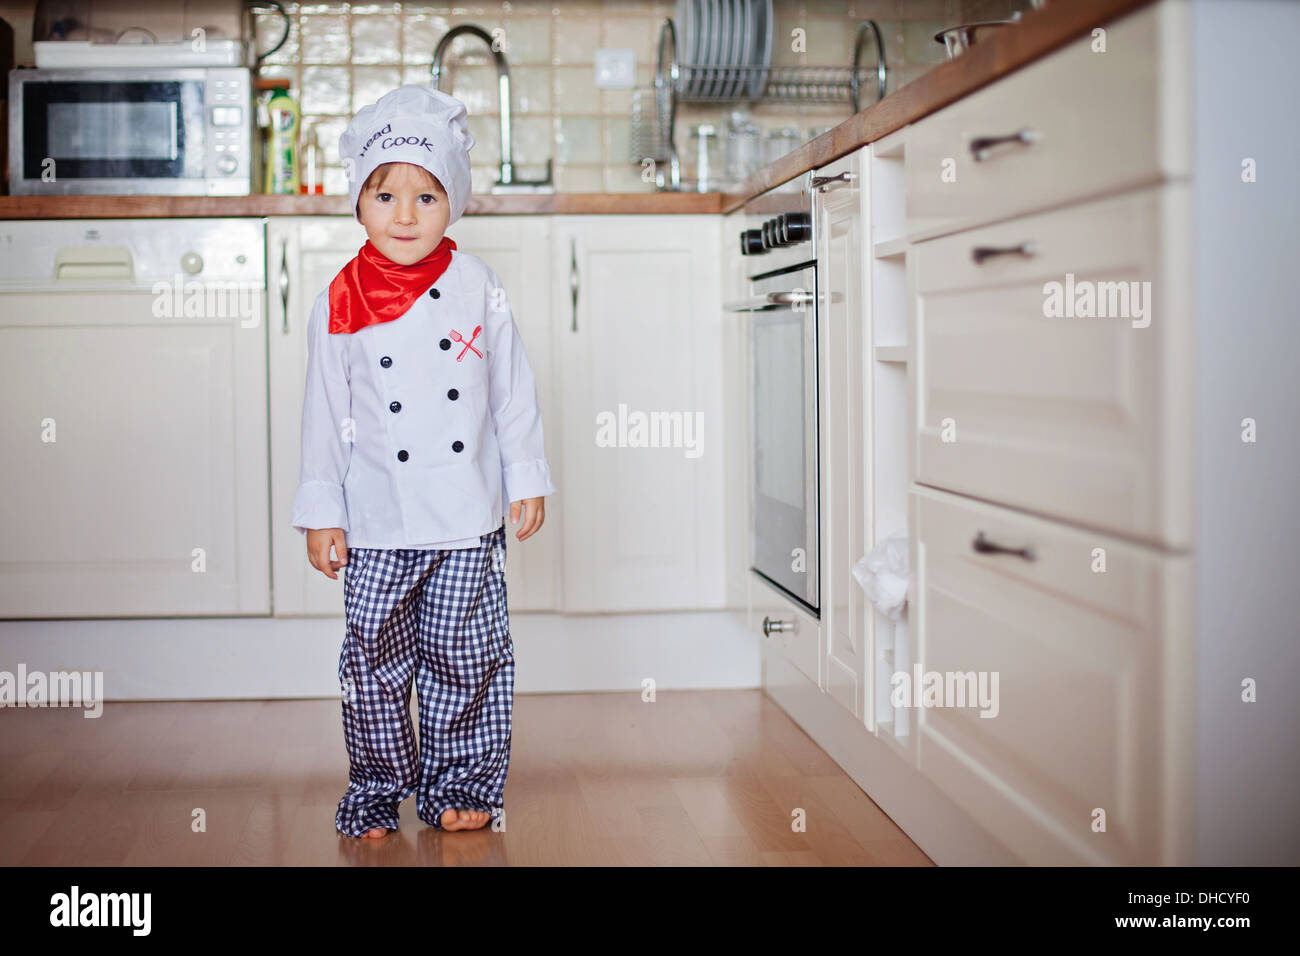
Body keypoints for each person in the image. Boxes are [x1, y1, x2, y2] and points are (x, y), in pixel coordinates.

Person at [290, 85, 556, 838]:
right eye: (385, 194)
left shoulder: (478, 287)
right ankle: (376, 790)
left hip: (466, 517)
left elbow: (513, 392)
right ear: (359, 202)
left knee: (465, 661)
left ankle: (459, 786)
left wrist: (526, 476)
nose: (404, 215)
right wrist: (321, 511)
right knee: (372, 669)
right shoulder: (336, 302)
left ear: (454, 204)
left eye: (426, 196)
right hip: (374, 522)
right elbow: (323, 418)